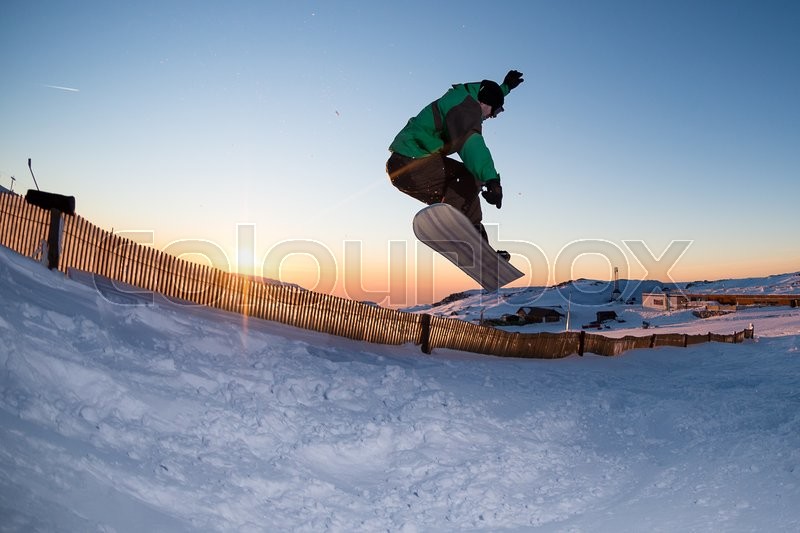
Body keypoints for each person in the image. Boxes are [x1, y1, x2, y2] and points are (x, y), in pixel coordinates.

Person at [386, 70, 524, 260]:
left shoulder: (467, 99)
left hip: (404, 169)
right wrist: (491, 178)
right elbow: (471, 143)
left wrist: (505, 87)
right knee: (470, 178)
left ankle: (479, 246)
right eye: (496, 111)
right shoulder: (465, 110)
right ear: (485, 103)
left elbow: (487, 94)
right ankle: (453, 227)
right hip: (412, 162)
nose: (494, 116)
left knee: (465, 191)